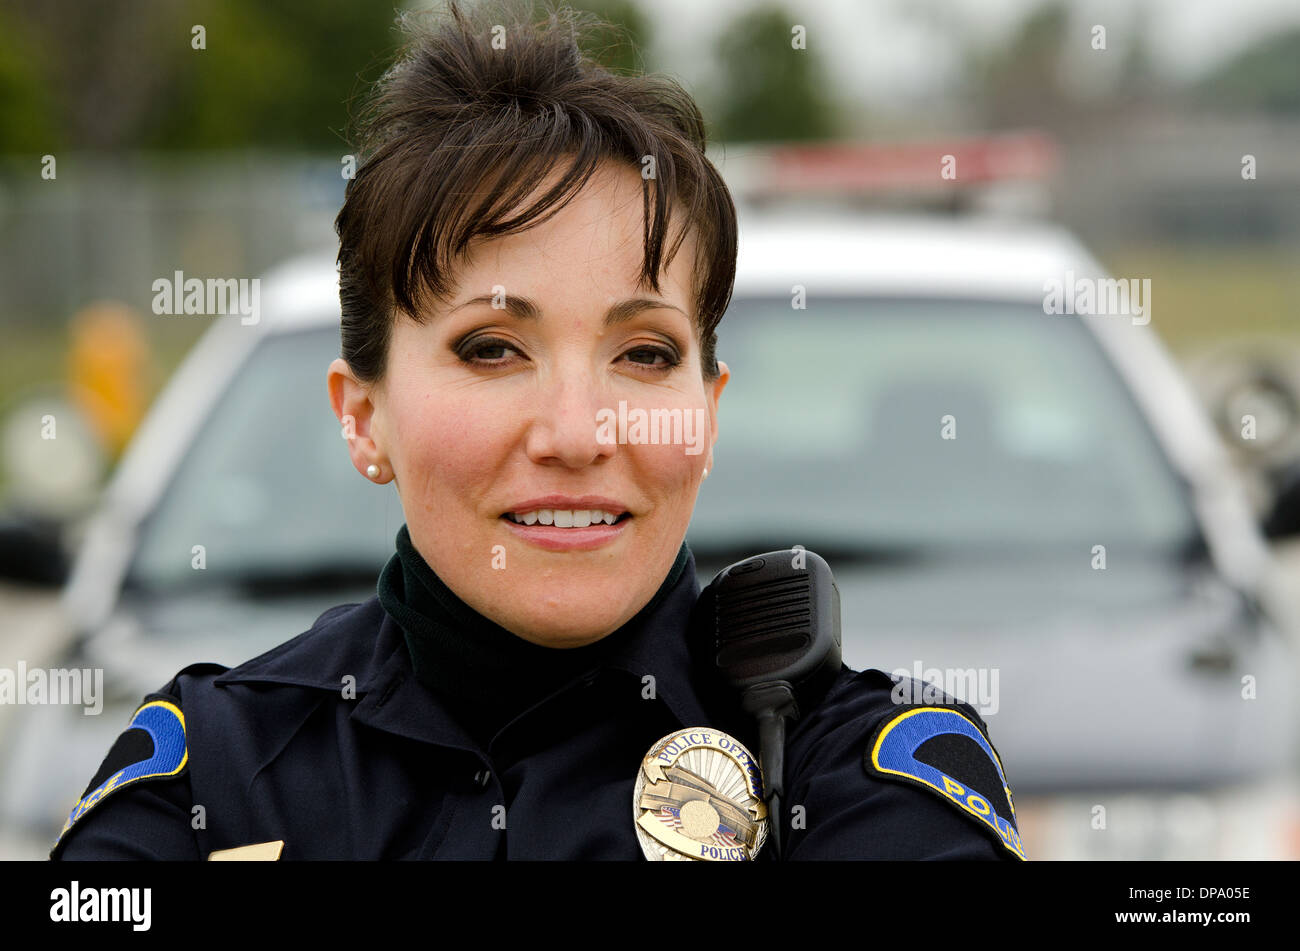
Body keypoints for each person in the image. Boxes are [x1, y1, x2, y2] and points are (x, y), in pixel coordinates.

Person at [51, 0, 1023, 862]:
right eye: (491, 348)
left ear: (707, 410)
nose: (575, 433)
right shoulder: (215, 778)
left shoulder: (854, 772)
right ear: (362, 416)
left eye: (642, 353)